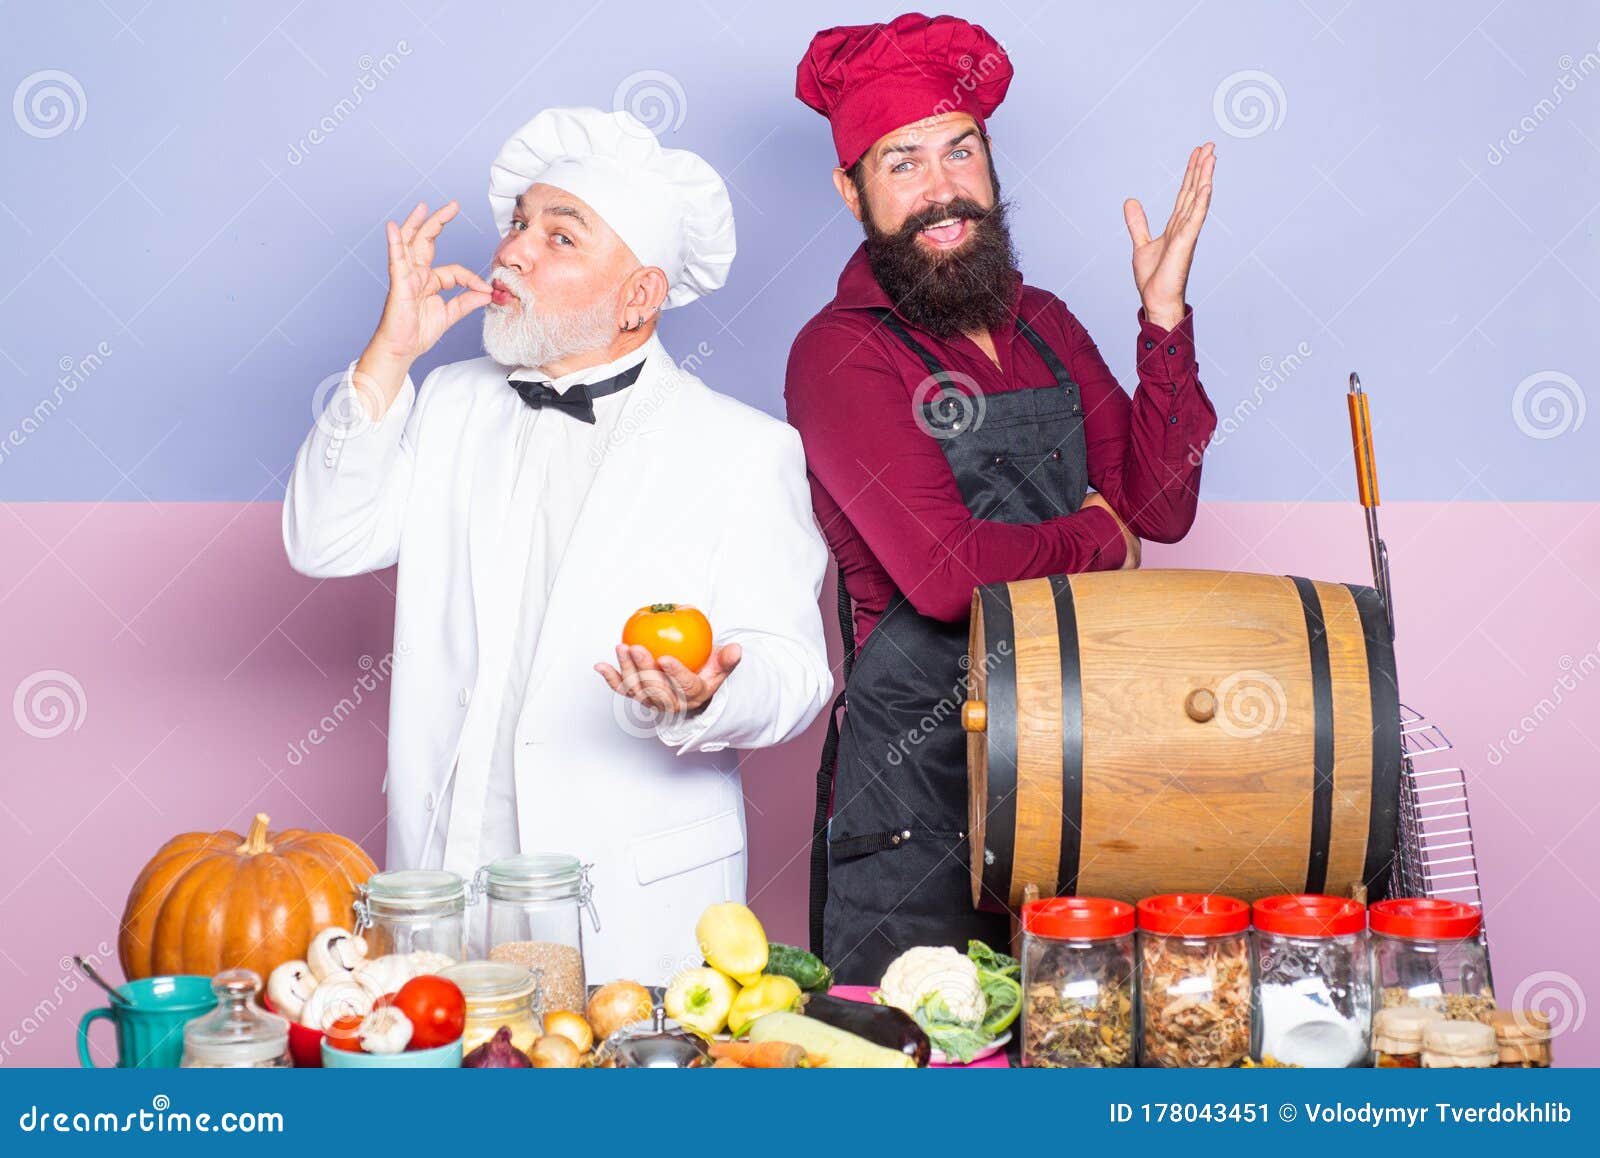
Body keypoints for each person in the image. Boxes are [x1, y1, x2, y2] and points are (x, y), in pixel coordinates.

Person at [283, 107, 832, 982]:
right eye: (517, 225)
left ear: (639, 296)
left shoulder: (741, 448)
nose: (513, 252)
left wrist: (704, 697)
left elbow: (795, 673)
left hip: (629, 906)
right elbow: (324, 540)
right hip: (443, 892)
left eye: (560, 236)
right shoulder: (451, 402)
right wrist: (388, 358)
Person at [786, 14, 1219, 981]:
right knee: (920, 1089)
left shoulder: (1049, 324)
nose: (942, 190)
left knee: (1077, 1062)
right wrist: (1099, 544)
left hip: (1082, 777)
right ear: (850, 190)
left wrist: (1163, 319)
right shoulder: (840, 352)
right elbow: (948, 580)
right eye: (901, 163)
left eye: (960, 151)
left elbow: (1160, 504)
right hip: (917, 810)